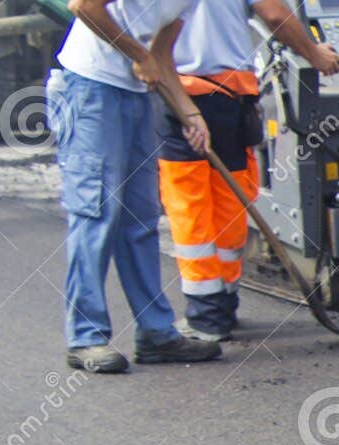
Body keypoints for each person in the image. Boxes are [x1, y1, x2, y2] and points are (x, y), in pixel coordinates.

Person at [52, 0, 224, 373]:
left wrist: (189, 114)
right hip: (90, 87)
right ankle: (86, 338)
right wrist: (138, 54)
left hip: (136, 95)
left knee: (141, 218)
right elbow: (83, 6)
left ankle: (156, 333)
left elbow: (160, 56)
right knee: (96, 214)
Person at [161, 0, 339, 341]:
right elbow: (273, 12)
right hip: (230, 95)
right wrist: (313, 53)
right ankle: (223, 305)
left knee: (190, 206)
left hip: (179, 92)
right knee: (229, 200)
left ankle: (206, 317)